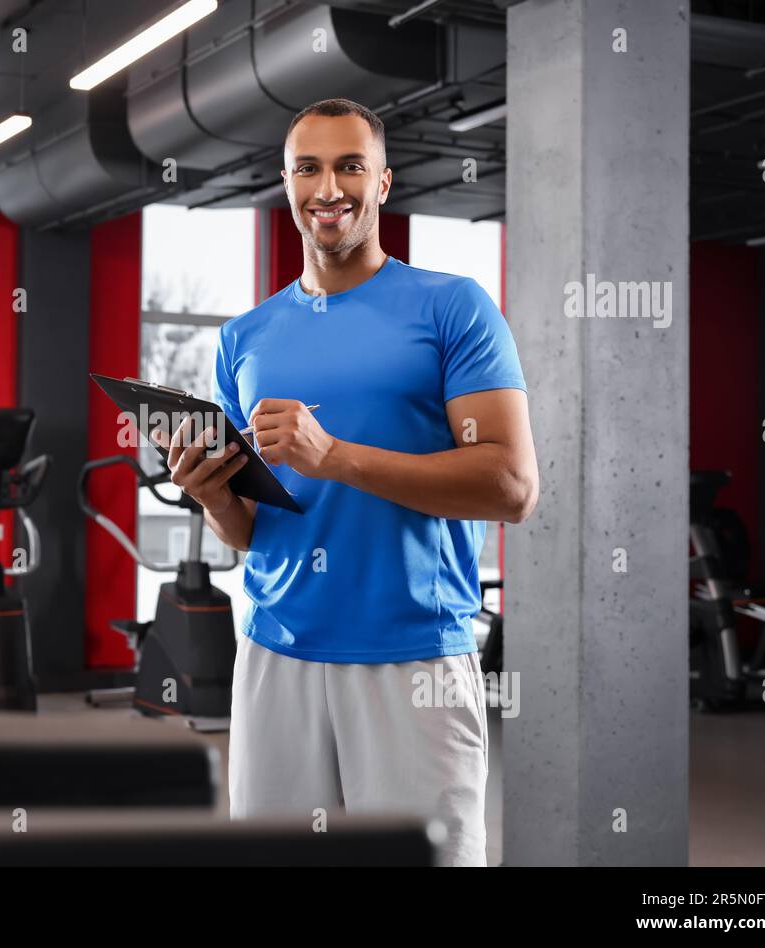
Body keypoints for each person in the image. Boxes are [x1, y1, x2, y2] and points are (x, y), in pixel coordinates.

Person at [153, 98, 538, 867]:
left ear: (384, 181)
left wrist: (337, 457)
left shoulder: (451, 307)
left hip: (413, 656)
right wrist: (213, 493)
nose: (328, 187)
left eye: (349, 165)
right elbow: (250, 529)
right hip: (274, 655)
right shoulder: (245, 337)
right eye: (309, 167)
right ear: (286, 182)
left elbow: (511, 485)